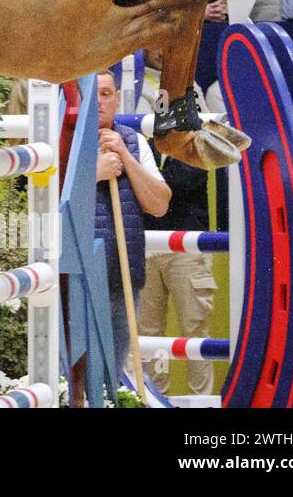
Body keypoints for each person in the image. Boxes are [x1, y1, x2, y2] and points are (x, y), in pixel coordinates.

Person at [91, 71, 171, 376]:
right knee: (69, 371)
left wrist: (125, 155)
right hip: (74, 279)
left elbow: (160, 205)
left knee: (113, 371)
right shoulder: (62, 140)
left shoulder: (134, 140)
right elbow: (43, 201)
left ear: (116, 99)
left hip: (121, 278)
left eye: (106, 94)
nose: (99, 102)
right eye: (93, 94)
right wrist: (93, 174)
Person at [138, 148, 219, 396]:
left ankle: (201, 399)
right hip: (147, 245)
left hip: (187, 248)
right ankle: (155, 397)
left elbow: (179, 184)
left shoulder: (195, 143)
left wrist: (146, 179)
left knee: (194, 329)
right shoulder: (142, 142)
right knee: (149, 332)